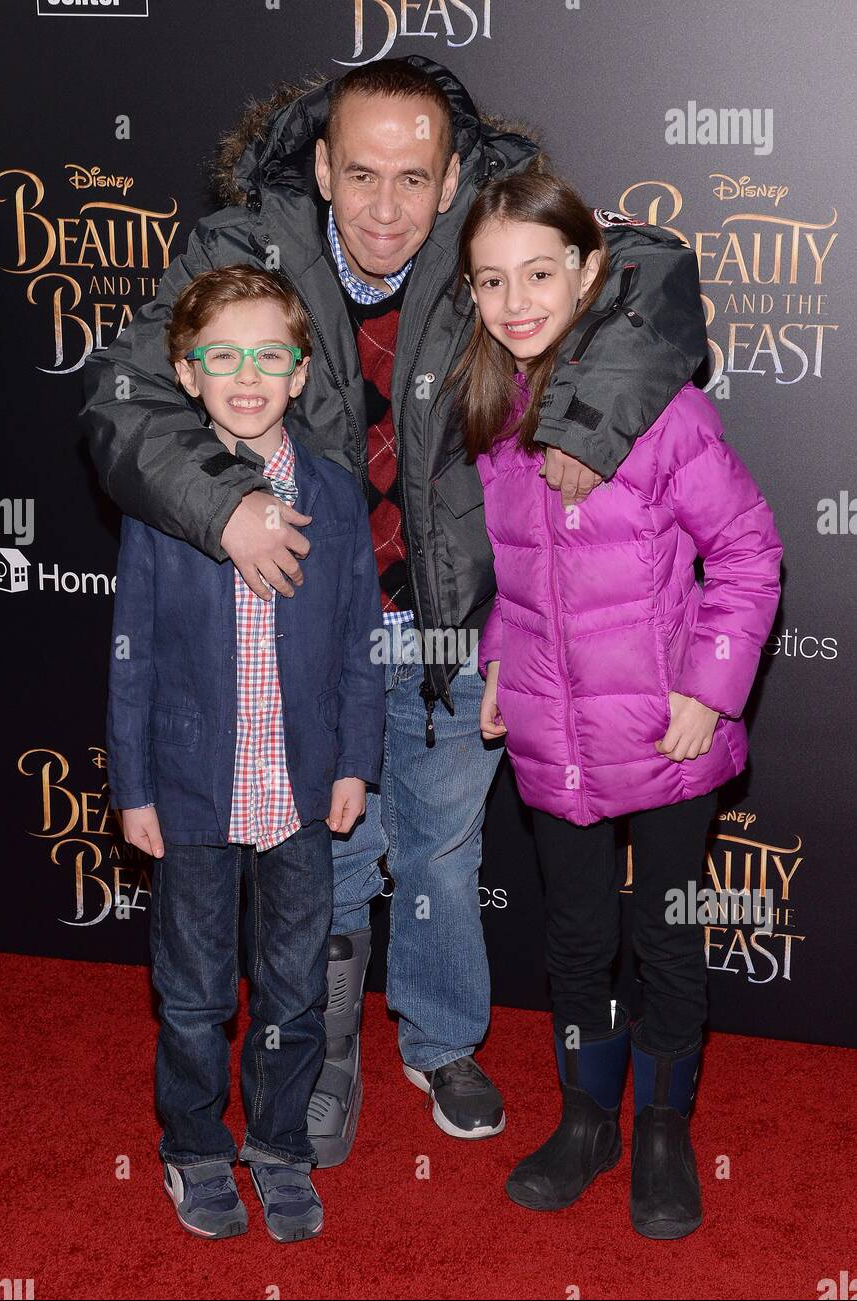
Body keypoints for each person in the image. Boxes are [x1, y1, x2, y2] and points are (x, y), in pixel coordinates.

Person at [82, 55, 709, 1164]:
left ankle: (442, 1038)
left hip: (461, 619)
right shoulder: (240, 244)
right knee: (326, 853)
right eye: (360, 174)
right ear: (320, 167)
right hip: (305, 626)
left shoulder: (492, 239)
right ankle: (321, 1047)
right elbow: (129, 392)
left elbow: (649, 274)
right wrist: (223, 506)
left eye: (413, 180)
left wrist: (582, 423)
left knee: (440, 853)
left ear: (452, 175)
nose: (385, 208)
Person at [453, 171, 783, 1238]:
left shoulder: (661, 409)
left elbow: (746, 552)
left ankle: (661, 1133)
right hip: (554, 729)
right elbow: (518, 579)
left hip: (665, 726)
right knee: (575, 939)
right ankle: (589, 1117)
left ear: (589, 273)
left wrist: (708, 687)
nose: (514, 301)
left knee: (666, 933)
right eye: (490, 279)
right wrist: (501, 664)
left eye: (538, 273)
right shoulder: (491, 415)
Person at [105, 263, 384, 1241]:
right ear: (185, 375)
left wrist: (354, 761)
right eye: (221, 356)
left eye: (270, 353)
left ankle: (277, 1146)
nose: (247, 373)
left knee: (294, 987)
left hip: (300, 790)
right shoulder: (164, 499)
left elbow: (357, 640)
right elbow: (131, 651)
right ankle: (191, 1147)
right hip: (189, 789)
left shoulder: (337, 497)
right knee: (190, 993)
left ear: (301, 371)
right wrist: (131, 782)